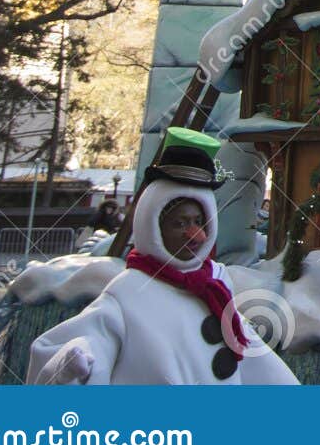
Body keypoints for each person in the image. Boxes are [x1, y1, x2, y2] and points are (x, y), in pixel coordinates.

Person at [28, 128, 298, 385]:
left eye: (199, 222)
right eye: (179, 224)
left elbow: (251, 354)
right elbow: (88, 342)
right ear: (152, 223)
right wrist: (72, 362)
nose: (196, 235)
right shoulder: (127, 291)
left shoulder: (215, 282)